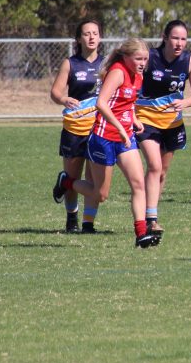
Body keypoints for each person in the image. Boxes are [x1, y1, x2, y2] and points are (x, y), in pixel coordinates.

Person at [52, 38, 159, 248]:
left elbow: (126, 103)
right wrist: (119, 127)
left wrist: (133, 120)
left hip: (124, 138)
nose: (142, 63)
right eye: (138, 58)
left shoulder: (138, 75)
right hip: (103, 138)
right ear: (126, 56)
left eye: (145, 59)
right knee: (100, 194)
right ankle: (67, 182)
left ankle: (140, 234)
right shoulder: (117, 72)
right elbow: (101, 103)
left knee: (138, 185)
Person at [135, 20, 191, 239]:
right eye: (175, 38)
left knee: (162, 172)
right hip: (145, 120)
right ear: (165, 37)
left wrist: (185, 103)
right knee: (154, 166)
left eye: (183, 39)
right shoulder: (150, 58)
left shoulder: (190, 61)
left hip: (172, 124)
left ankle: (150, 213)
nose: (179, 43)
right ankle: (150, 220)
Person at [49, 19, 103, 233]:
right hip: (74, 129)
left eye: (95, 33)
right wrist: (64, 99)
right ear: (79, 39)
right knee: (72, 177)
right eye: (87, 33)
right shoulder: (70, 64)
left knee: (93, 179)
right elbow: (55, 92)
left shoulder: (106, 64)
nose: (91, 37)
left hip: (98, 130)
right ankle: (72, 219)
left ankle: (88, 224)